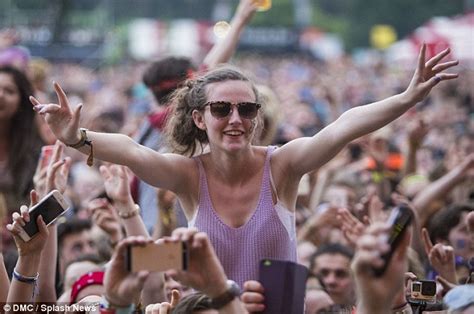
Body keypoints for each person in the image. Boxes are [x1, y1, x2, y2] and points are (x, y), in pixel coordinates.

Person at [31, 45, 458, 288]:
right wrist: (75, 137)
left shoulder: (283, 165)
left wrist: (406, 99)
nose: (236, 120)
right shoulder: (187, 175)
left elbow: (341, 128)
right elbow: (132, 151)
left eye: (247, 109)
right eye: (221, 109)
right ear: (200, 118)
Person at [0, 65, 43, 214]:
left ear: (21, 102)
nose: (1, 95)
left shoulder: (35, 150)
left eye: (9, 91)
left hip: (18, 231)